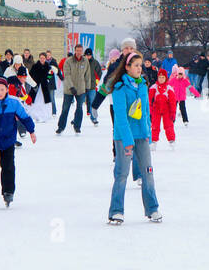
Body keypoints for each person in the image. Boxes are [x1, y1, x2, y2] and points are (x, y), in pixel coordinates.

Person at [106, 53, 161, 225]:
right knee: (122, 174)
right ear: (127, 67)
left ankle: (152, 208)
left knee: (148, 172)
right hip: (124, 137)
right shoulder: (120, 88)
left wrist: (148, 135)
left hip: (141, 136)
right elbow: (121, 118)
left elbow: (145, 112)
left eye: (140, 65)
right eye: (135, 65)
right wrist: (128, 142)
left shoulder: (143, 85)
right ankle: (116, 211)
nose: (139, 68)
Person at [0, 77, 37, 207]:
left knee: (8, 167)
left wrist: (31, 131)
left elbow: (25, 117)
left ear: (7, 90)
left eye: (2, 89)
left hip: (8, 141)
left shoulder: (14, 103)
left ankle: (8, 192)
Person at [57, 43, 93, 135]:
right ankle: (61, 127)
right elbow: (67, 75)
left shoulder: (85, 61)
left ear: (82, 51)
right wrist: (71, 86)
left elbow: (88, 75)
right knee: (65, 108)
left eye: (80, 51)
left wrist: (88, 87)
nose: (79, 52)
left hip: (81, 88)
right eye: (77, 51)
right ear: (75, 51)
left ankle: (77, 127)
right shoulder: (68, 61)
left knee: (79, 108)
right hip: (69, 89)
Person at [149, 68, 178, 148]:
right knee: (155, 126)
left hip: (166, 110)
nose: (161, 79)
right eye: (160, 77)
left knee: (168, 125)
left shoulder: (169, 88)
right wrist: (150, 111)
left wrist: (173, 112)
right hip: (156, 109)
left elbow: (173, 102)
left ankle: (171, 140)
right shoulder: (153, 87)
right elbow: (149, 100)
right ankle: (154, 141)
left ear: (166, 78)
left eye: (163, 77)